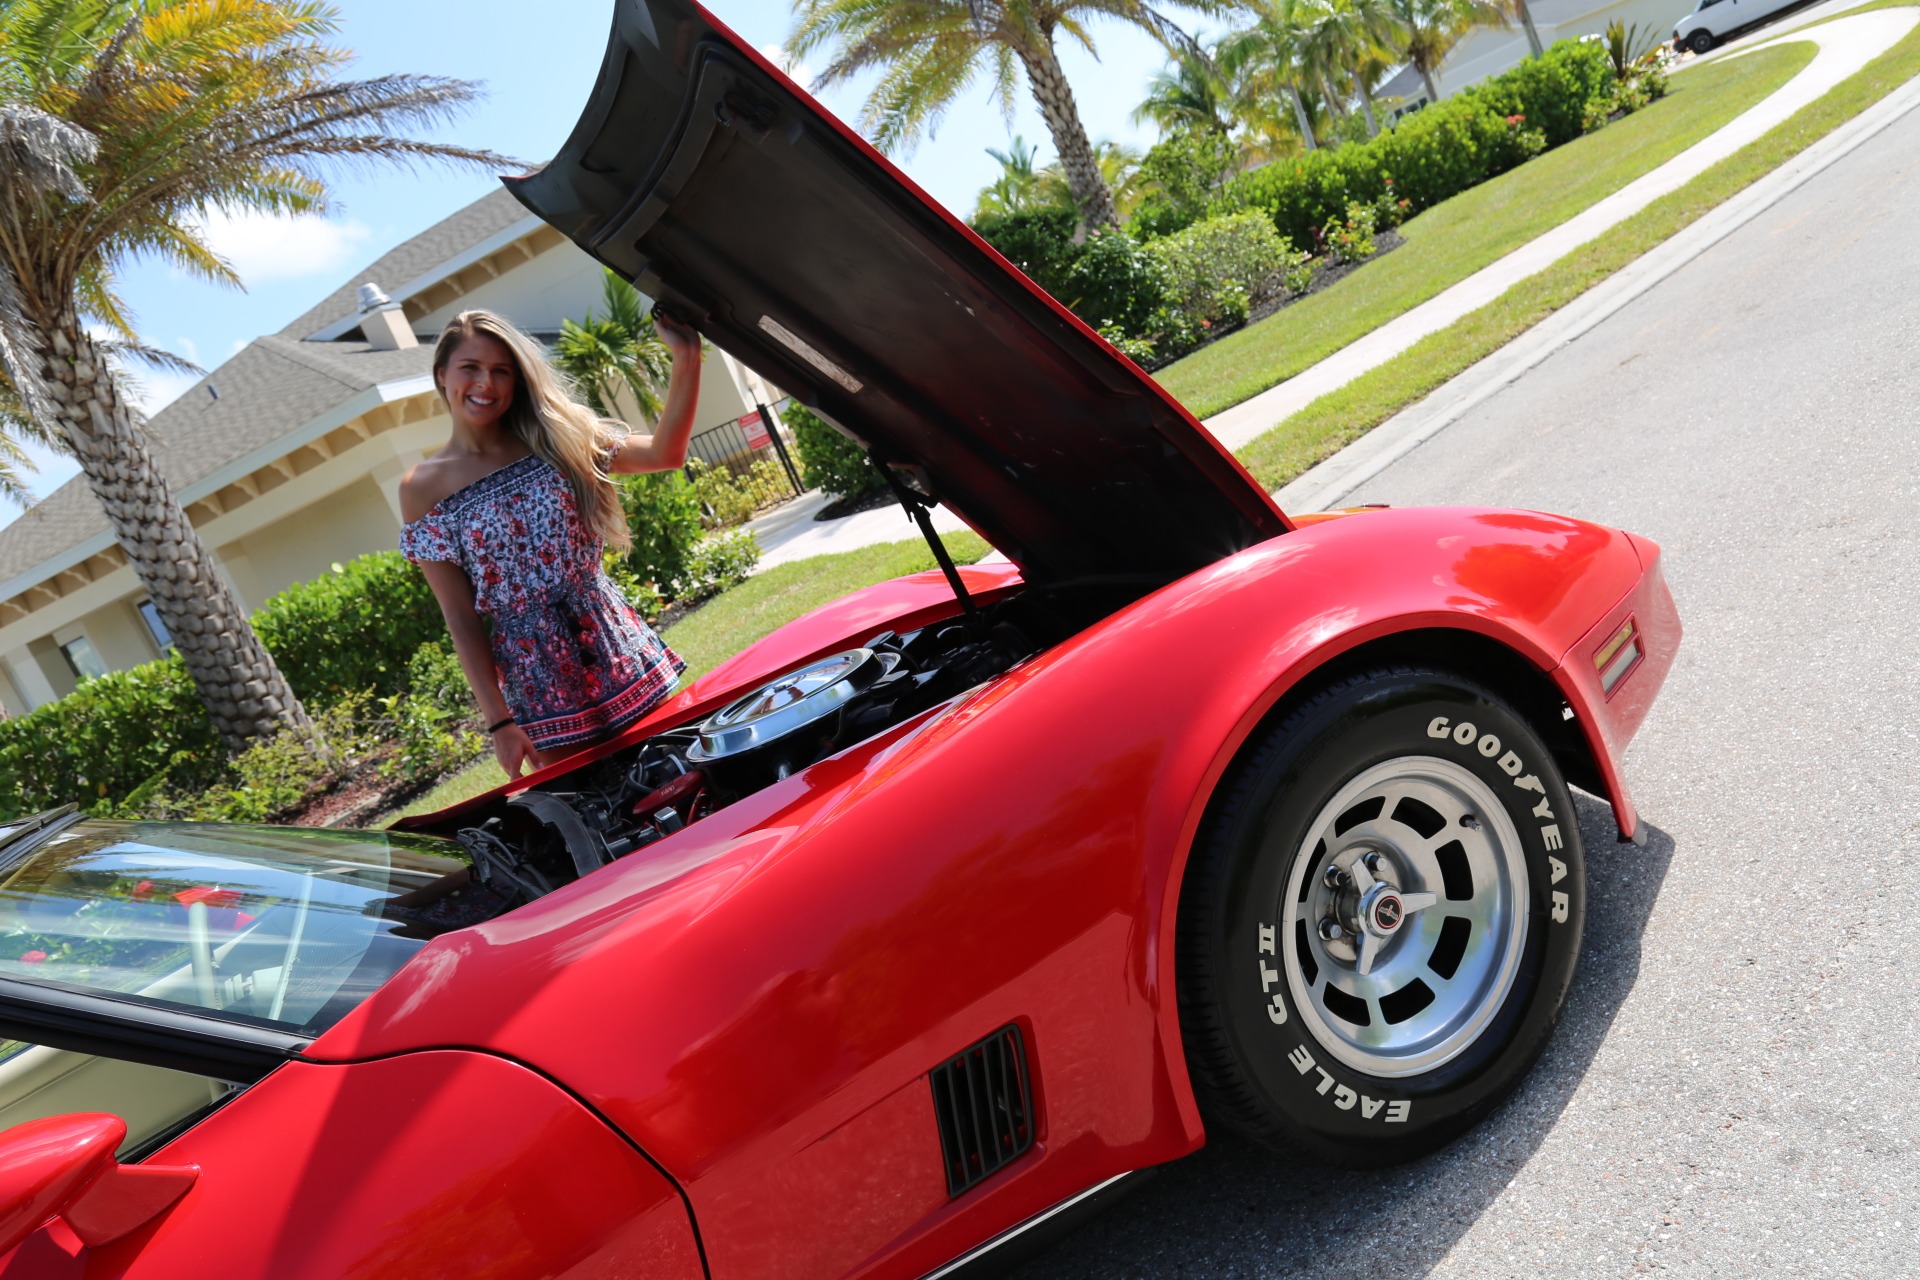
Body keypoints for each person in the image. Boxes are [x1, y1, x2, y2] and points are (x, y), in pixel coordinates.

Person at [399, 307, 703, 777]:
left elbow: (667, 452)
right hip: (539, 689)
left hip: (619, 650)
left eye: (501, 371)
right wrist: (499, 721)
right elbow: (459, 616)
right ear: (442, 376)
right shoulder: (422, 487)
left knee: (692, 780)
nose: (486, 384)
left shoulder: (557, 440)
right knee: (604, 826)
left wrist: (686, 357)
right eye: (470, 368)